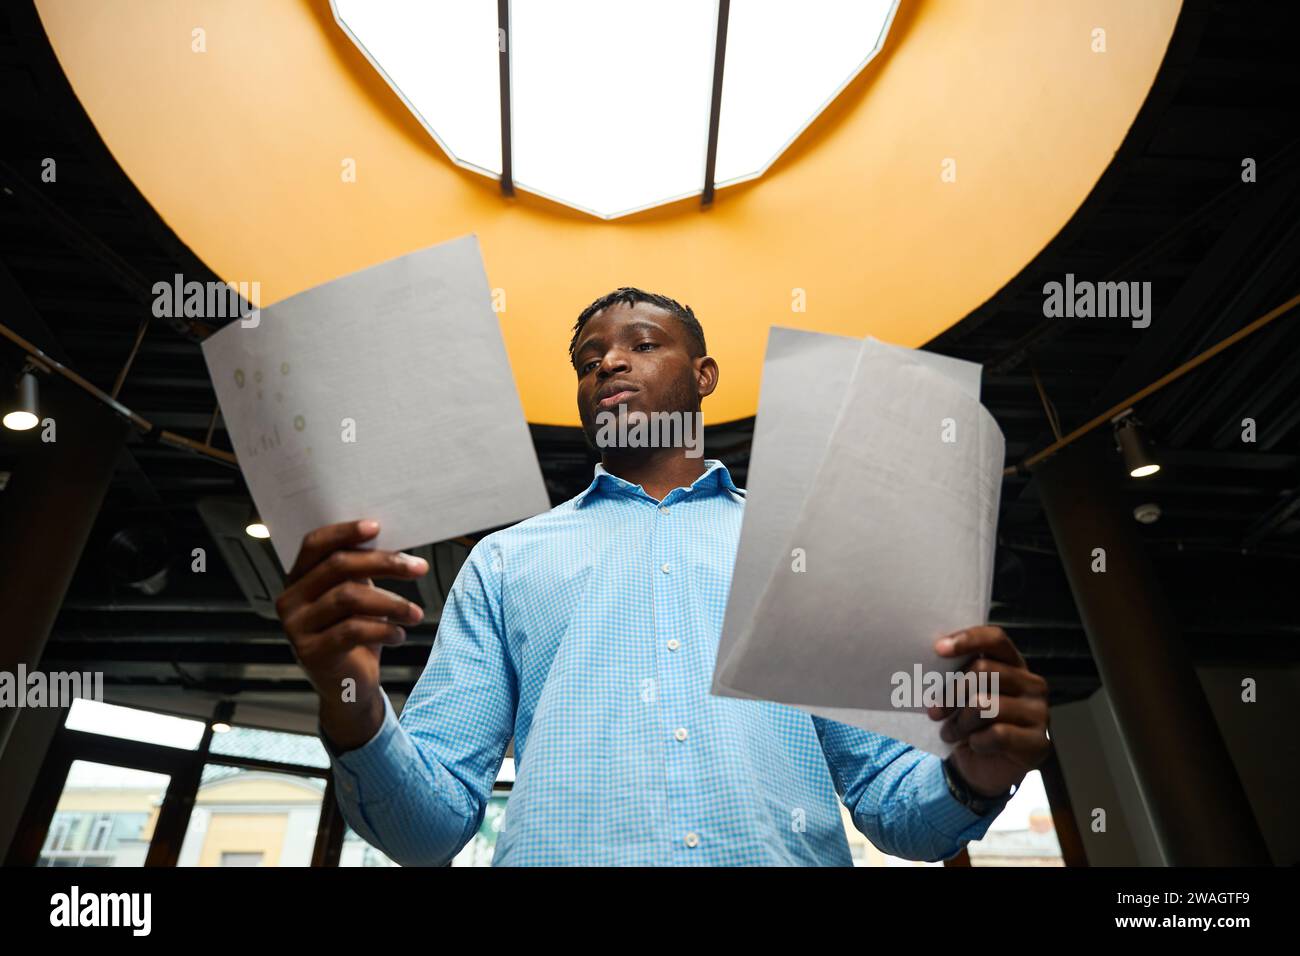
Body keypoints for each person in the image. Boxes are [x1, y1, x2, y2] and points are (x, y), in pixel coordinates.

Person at [274, 287, 1051, 865]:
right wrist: (351, 700)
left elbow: (891, 801)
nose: (608, 361)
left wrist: (974, 777)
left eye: (642, 344)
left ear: (704, 374)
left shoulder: (802, 547)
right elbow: (429, 828)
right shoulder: (506, 562)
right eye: (588, 361)